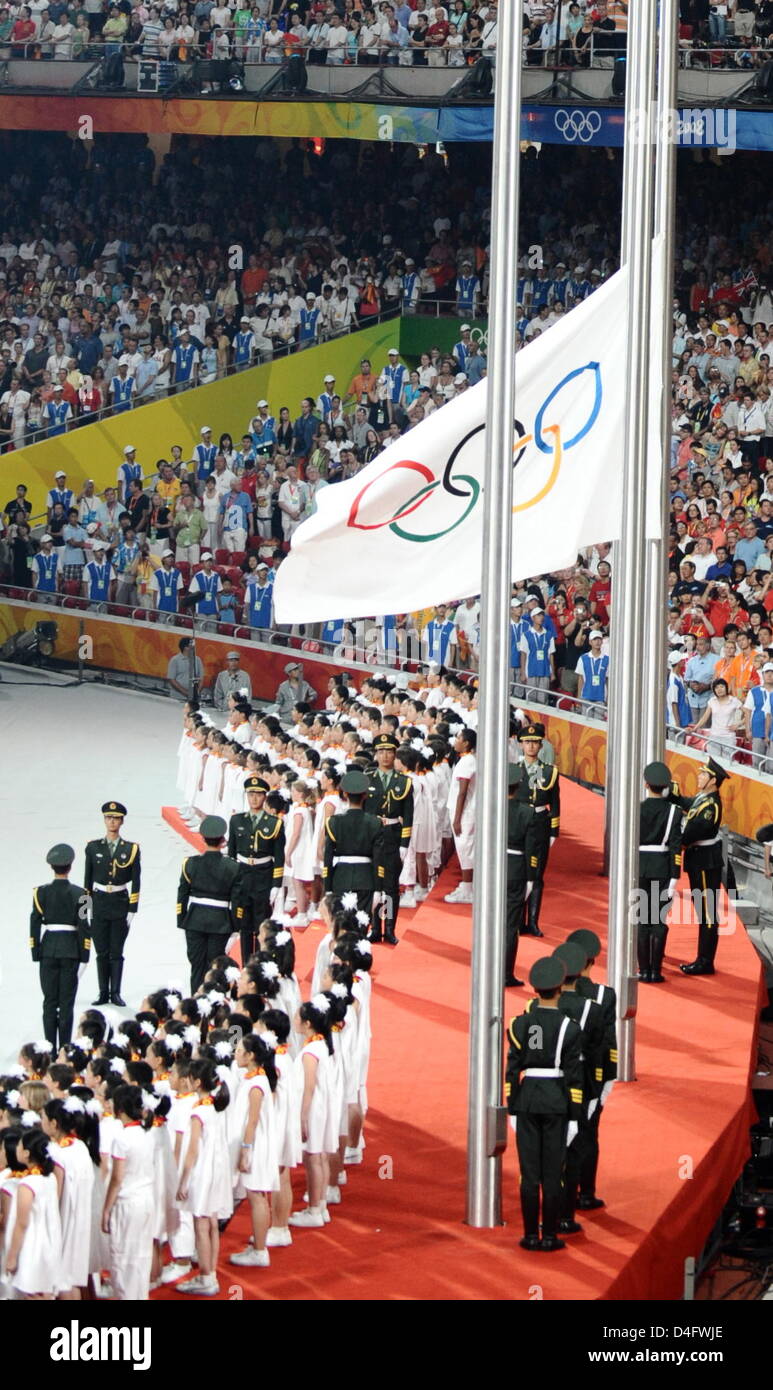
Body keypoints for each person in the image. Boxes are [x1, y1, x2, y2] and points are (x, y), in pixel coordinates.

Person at [505, 955, 583, 1252]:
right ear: (560, 988)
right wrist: (575, 1116)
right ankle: (549, 1235)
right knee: (552, 1173)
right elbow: (574, 1077)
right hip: (556, 1101)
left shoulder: (519, 1024)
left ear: (535, 990)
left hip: (527, 1099)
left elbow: (512, 1071)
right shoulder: (569, 1028)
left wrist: (512, 1106)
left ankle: (529, 1235)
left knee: (529, 1174)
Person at [550, 941, 606, 1237]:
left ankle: (547, 1219)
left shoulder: (534, 1010)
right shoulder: (595, 1005)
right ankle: (575, 1204)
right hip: (580, 1081)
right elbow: (602, 1049)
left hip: (545, 1085)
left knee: (547, 1150)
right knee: (580, 1142)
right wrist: (600, 1085)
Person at [567, 927, 617, 1211]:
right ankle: (585, 1192)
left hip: (560, 1077)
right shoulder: (604, 996)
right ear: (593, 960)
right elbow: (609, 1043)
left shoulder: (553, 994)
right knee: (588, 1134)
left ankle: (563, 1195)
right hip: (590, 1078)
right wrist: (606, 1081)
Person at [30, 843, 91, 1052]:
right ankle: (64, 1048)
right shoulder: (82, 894)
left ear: (52, 867)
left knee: (49, 1001)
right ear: (70, 866)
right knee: (66, 1002)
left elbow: (34, 923)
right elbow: (84, 926)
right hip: (71, 950)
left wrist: (36, 951)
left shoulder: (40, 893)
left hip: (48, 949)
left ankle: (49, 1047)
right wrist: (85, 955)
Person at [84, 799, 141, 1008]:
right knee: (101, 952)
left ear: (122, 821)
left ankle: (115, 992)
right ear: (104, 820)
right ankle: (102, 992)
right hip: (99, 902)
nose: (112, 822)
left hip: (119, 902)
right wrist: (84, 910)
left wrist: (132, 909)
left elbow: (136, 881)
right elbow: (87, 881)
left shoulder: (131, 849)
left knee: (116, 951)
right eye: (108, 818)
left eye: (116, 818)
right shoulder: (93, 847)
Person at [101, 1084, 155, 1301]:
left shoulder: (122, 1138)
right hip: (146, 1200)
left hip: (127, 1204)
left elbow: (117, 1178)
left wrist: (106, 1210)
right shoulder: (147, 1133)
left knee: (123, 1259)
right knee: (141, 1257)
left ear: (120, 1108)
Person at [676, 757, 728, 977]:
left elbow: (694, 830)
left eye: (703, 774)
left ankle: (705, 961)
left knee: (707, 912)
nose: (699, 777)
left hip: (705, 861)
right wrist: (672, 795)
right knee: (703, 910)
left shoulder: (711, 804)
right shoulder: (702, 798)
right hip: (699, 859)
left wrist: (677, 843)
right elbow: (689, 804)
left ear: (713, 780)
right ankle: (703, 959)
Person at [176, 815, 241, 991]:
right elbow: (237, 900)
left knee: (196, 965)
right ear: (222, 840)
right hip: (220, 922)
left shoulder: (190, 863)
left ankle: (195, 999)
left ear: (203, 838)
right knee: (215, 966)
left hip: (194, 919)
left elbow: (182, 894)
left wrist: (182, 919)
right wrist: (235, 926)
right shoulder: (233, 867)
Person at [509, 722, 560, 937]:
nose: (531, 746)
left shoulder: (549, 771)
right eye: (527, 742)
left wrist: (554, 830)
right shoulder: (513, 770)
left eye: (535, 742)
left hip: (539, 823)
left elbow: (555, 802)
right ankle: (517, 920)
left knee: (537, 873)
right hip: (519, 824)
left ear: (540, 745)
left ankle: (533, 922)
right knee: (519, 872)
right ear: (521, 744)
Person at [228, 775, 285, 965]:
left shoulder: (274, 823)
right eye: (250, 794)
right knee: (244, 925)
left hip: (263, 876)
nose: (254, 798)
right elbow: (232, 854)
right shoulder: (236, 820)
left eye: (258, 794)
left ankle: (260, 964)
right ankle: (247, 964)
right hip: (243, 874)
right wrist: (231, 881)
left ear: (264, 797)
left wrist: (276, 884)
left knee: (261, 924)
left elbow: (279, 856)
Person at [365, 733, 414, 945]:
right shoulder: (368, 779)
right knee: (373, 884)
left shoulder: (404, 782)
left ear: (395, 755)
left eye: (389, 752)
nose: (385, 755)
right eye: (381, 751)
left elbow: (409, 815)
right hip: (372, 836)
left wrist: (404, 844)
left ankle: (390, 929)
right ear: (376, 754)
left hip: (393, 835)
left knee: (391, 886)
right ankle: (375, 928)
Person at [637, 762, 682, 984]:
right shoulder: (674, 811)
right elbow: (675, 846)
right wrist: (675, 876)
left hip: (639, 867)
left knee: (641, 919)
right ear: (666, 787)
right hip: (662, 867)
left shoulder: (637, 808)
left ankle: (643, 970)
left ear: (646, 784)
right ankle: (655, 971)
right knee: (659, 920)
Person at [322, 771, 385, 918]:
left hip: (340, 879)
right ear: (365, 795)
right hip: (366, 880)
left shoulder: (333, 822)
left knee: (341, 925)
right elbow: (378, 859)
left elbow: (327, 858)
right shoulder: (375, 822)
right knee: (361, 923)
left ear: (345, 794)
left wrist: (328, 887)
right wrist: (378, 889)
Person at [505, 764, 539, 988]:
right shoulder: (527, 812)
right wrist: (531, 878)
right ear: (518, 786)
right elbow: (532, 849)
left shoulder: (491, 808)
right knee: (510, 925)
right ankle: (506, 973)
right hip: (517, 871)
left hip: (494, 868)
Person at [444, 726, 477, 905]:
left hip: (465, 813)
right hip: (461, 811)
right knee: (464, 848)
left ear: (466, 743)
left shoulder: (468, 761)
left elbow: (462, 792)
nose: (455, 741)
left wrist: (457, 819)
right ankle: (466, 886)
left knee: (466, 849)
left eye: (458, 738)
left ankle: (467, 889)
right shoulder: (465, 759)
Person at [166, 637, 203, 701]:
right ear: (186, 647)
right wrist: (185, 692)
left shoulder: (198, 660)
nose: (194, 648)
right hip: (176, 697)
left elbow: (201, 678)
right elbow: (171, 679)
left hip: (193, 699)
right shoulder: (175, 660)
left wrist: (196, 692)